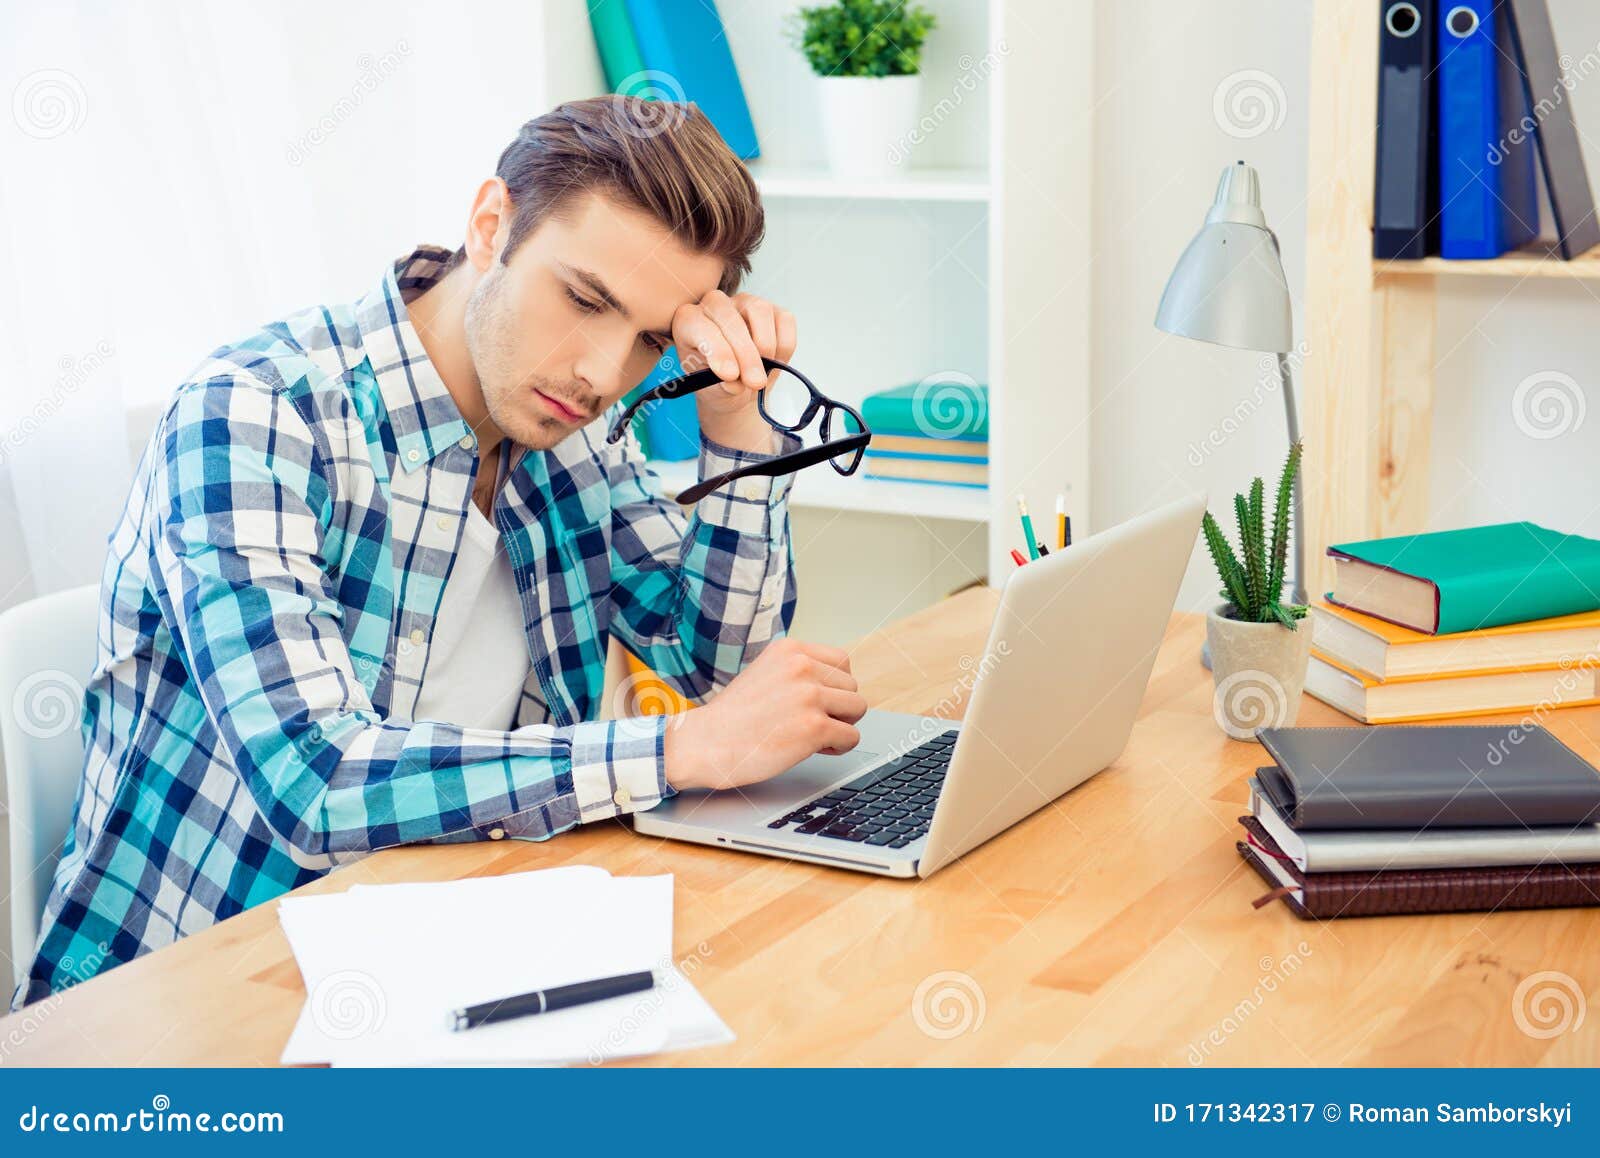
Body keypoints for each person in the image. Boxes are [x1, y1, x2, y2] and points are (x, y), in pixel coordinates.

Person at [14, 97, 867, 1007]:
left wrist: (734, 422)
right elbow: (315, 782)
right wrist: (672, 753)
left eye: (652, 340)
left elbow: (714, 666)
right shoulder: (257, 414)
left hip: (465, 952)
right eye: (584, 300)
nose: (603, 372)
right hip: (201, 1009)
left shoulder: (569, 424)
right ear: (490, 224)